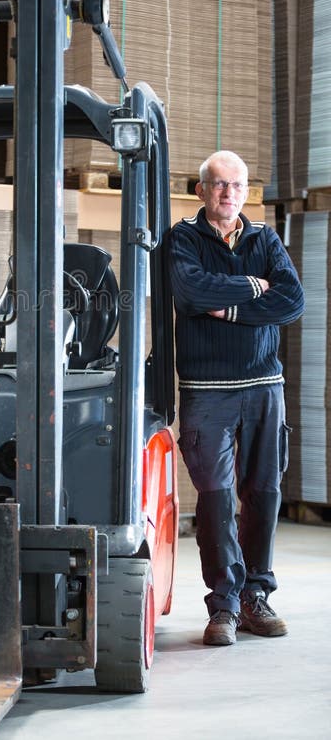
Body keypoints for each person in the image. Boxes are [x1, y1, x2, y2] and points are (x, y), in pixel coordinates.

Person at [168, 150, 304, 646]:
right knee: (218, 499)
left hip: (265, 386)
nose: (228, 193)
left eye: (237, 185)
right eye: (218, 184)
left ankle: (255, 597)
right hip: (208, 392)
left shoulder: (265, 239)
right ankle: (223, 605)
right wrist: (251, 289)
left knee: (263, 494)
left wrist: (226, 311)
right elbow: (189, 290)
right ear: (201, 190)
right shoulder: (183, 238)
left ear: (247, 191)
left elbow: (291, 300)